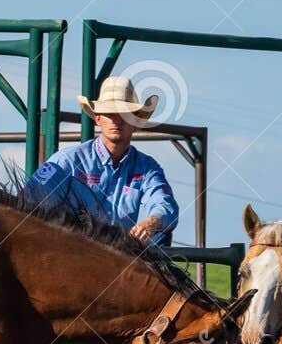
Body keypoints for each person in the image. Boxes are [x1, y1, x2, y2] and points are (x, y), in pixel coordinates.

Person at [27, 75, 177, 246]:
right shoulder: (66, 161)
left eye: (124, 114)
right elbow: (31, 198)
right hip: (74, 250)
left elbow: (165, 204)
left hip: (122, 254)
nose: (117, 120)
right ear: (98, 119)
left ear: (135, 122)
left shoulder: (148, 168)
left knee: (160, 232)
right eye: (109, 113)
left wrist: (152, 222)